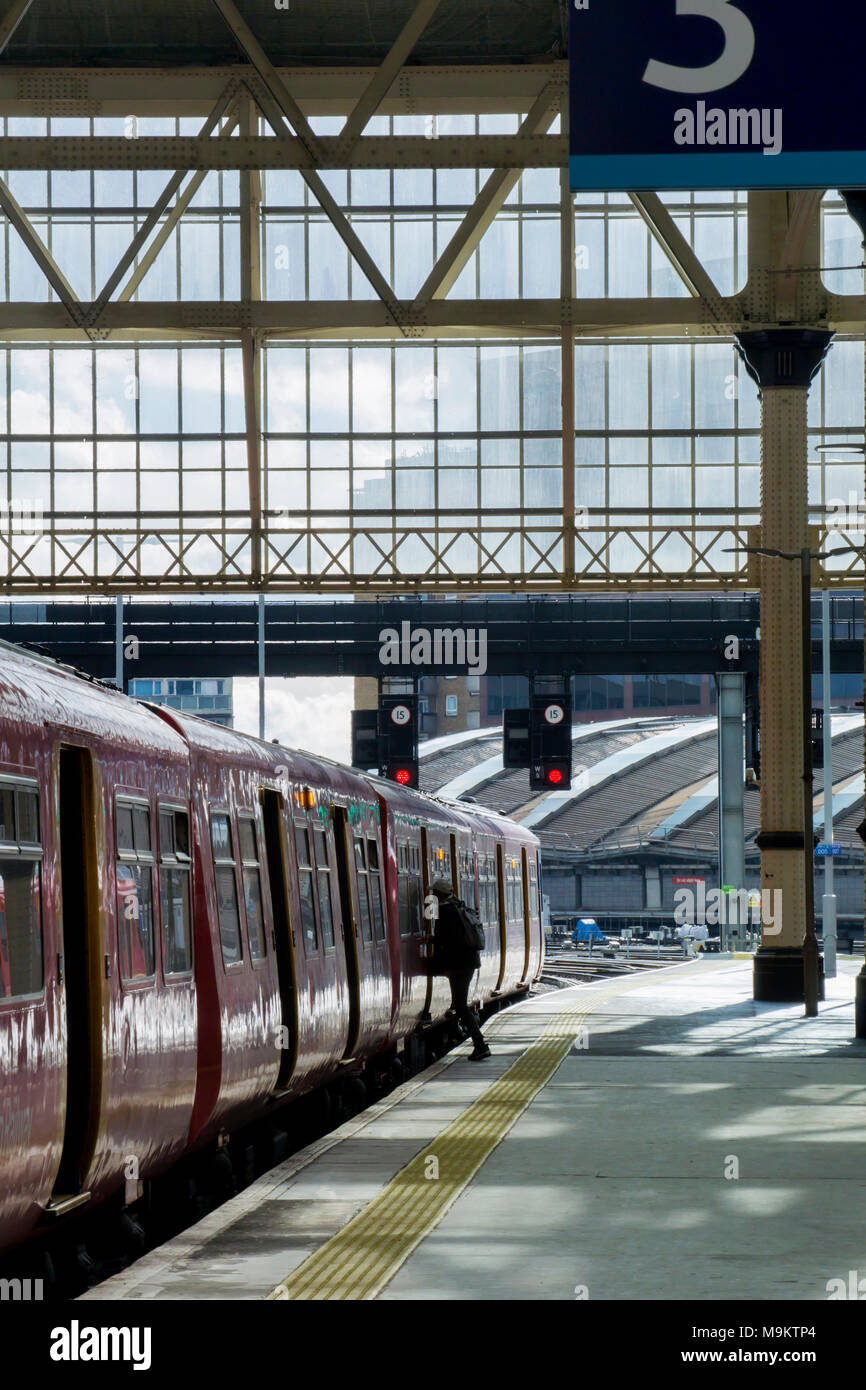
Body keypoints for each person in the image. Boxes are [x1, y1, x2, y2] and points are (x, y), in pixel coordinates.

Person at [429, 877, 491, 1061]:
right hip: (469, 962)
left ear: (439, 894)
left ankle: (480, 1045)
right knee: (459, 1004)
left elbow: (445, 942)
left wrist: (442, 966)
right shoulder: (459, 906)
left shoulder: (445, 912)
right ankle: (473, 1040)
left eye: (434, 893)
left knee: (460, 1005)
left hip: (459, 965)